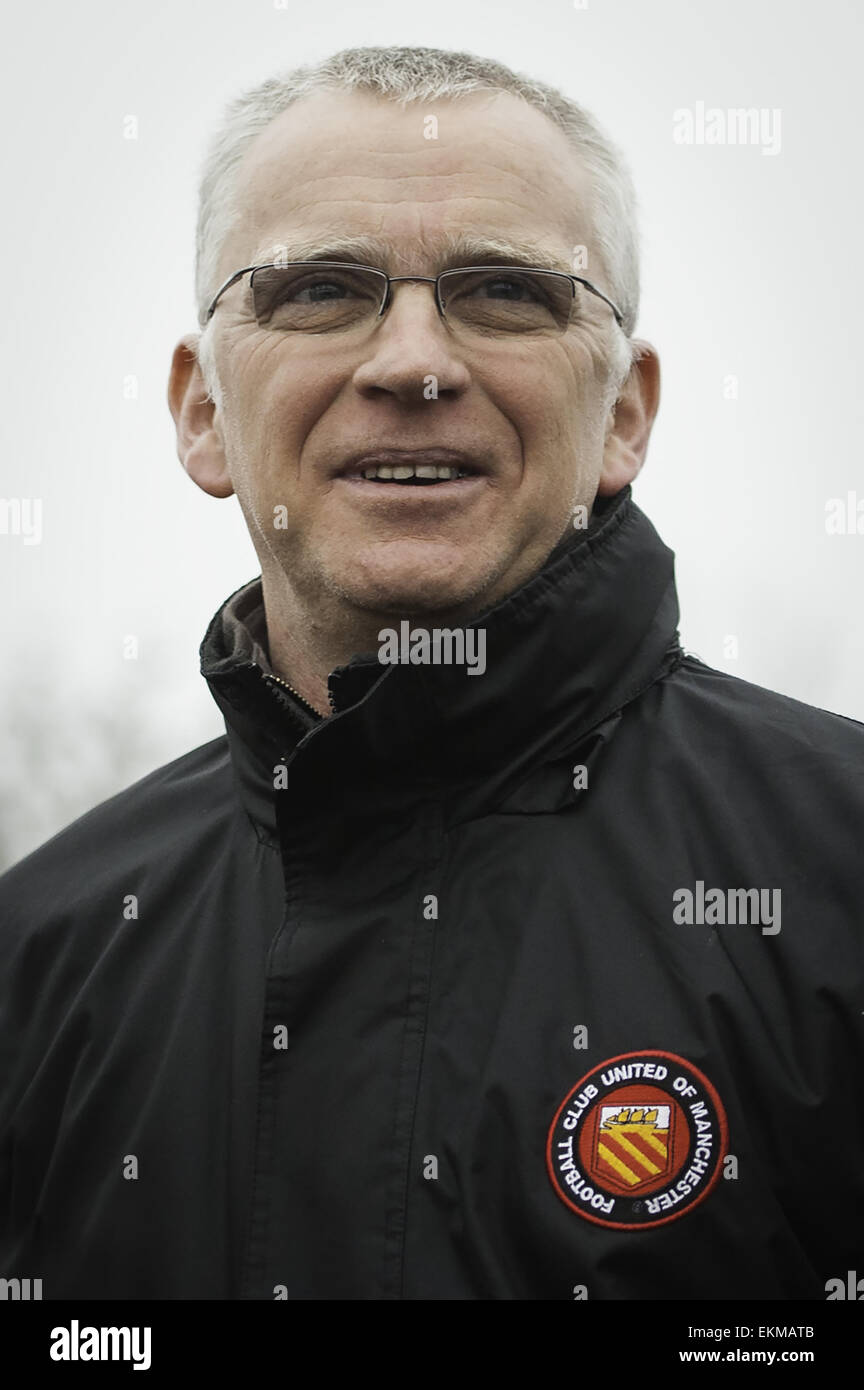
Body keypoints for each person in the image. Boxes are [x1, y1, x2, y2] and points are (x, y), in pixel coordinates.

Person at [1, 44, 862, 1303]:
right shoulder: (40, 956)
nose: (413, 361)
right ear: (201, 413)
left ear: (624, 412)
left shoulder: (842, 873)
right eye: (320, 290)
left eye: (508, 291)